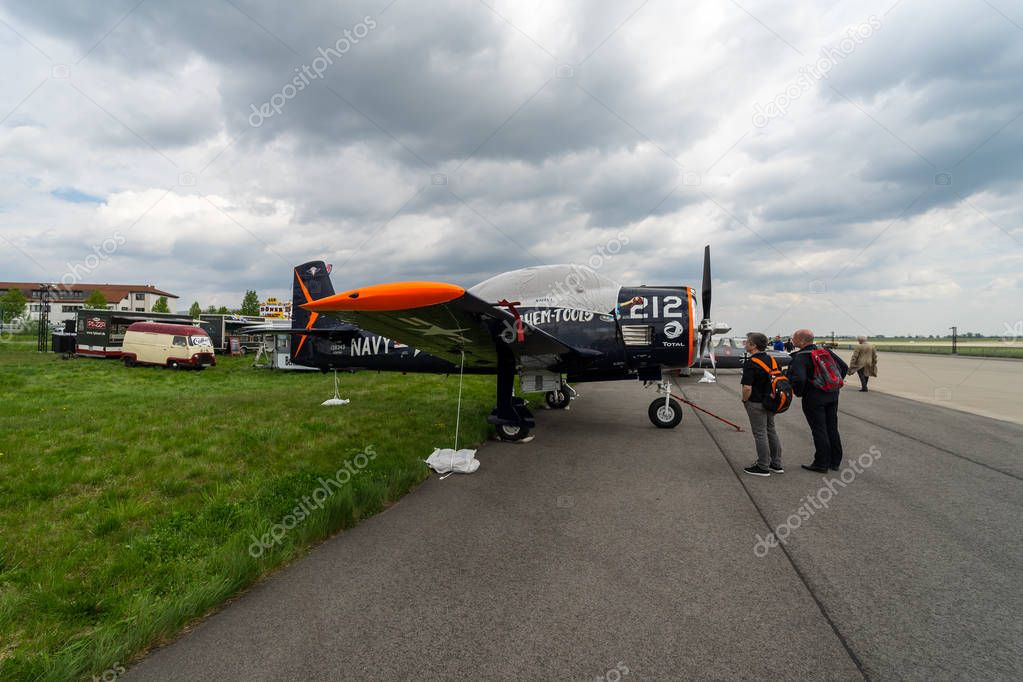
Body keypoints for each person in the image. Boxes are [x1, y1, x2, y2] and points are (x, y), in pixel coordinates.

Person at [787, 328, 848, 473]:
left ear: (802, 341)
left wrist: (799, 393)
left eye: (794, 338)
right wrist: (832, 383)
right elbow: (844, 367)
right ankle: (834, 461)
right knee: (832, 427)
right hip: (832, 394)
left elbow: (800, 379)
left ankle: (821, 463)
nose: (792, 340)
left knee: (819, 429)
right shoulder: (825, 351)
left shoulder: (800, 357)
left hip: (814, 397)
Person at [741, 332, 783, 476]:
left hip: (756, 403)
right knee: (771, 431)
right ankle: (776, 464)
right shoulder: (772, 360)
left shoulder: (751, 363)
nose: (745, 344)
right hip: (771, 402)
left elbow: (747, 387)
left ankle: (763, 466)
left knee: (760, 433)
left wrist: (744, 400)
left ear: (753, 345)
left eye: (747, 341)